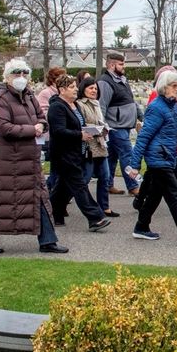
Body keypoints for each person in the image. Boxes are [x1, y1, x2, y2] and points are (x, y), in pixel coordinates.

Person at [0, 59, 64, 254]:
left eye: (24, 74)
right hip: (10, 161)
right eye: (16, 74)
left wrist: (42, 125)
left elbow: (41, 117)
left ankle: (47, 241)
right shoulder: (1, 99)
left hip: (30, 158)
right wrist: (31, 129)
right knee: (4, 201)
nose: (21, 78)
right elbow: (4, 128)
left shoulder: (29, 96)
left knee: (39, 198)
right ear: (8, 77)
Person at [126, 69, 177, 245]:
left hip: (168, 157)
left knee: (154, 195)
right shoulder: (156, 108)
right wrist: (135, 164)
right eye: (174, 86)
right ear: (164, 87)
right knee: (176, 195)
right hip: (158, 158)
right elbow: (144, 136)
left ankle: (141, 227)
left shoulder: (174, 106)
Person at [47, 73, 112, 235]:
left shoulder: (74, 105)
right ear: (62, 89)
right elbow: (58, 130)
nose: (76, 89)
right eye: (71, 87)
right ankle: (95, 217)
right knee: (79, 185)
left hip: (77, 152)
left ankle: (53, 214)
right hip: (64, 154)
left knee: (63, 188)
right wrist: (80, 135)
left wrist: (89, 131)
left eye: (75, 86)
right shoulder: (57, 107)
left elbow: (77, 125)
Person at [96, 51, 140, 195]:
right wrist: (103, 127)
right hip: (115, 127)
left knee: (112, 157)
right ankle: (133, 186)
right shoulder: (104, 82)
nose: (123, 67)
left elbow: (131, 101)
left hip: (124, 125)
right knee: (127, 155)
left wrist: (140, 115)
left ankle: (108, 184)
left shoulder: (122, 80)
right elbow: (101, 106)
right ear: (111, 65)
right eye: (121, 64)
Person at [76, 76, 117, 218]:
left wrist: (105, 128)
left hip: (100, 144)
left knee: (105, 177)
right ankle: (64, 201)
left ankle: (104, 207)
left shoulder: (96, 103)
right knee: (85, 178)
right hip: (88, 145)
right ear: (83, 89)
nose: (94, 91)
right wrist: (94, 128)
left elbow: (101, 120)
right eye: (90, 88)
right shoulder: (80, 104)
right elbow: (81, 123)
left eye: (95, 88)